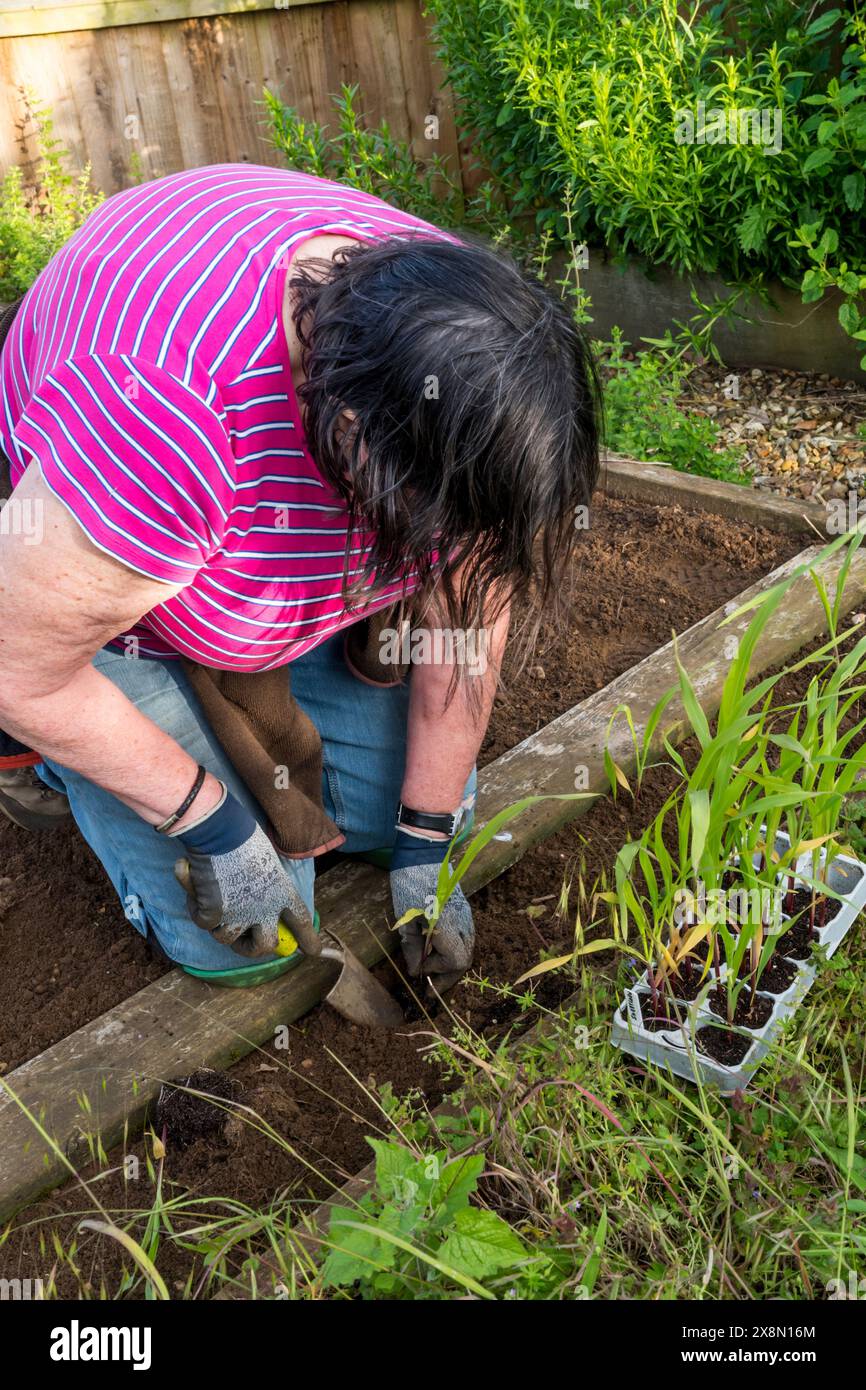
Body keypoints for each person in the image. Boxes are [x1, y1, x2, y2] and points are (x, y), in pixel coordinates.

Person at [0, 164, 599, 990]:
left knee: (401, 818)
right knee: (248, 939)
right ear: (348, 433)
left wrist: (427, 842)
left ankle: (262, 649)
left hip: (231, 521)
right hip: (98, 566)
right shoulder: (168, 425)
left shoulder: (465, 343)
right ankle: (45, 756)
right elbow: (16, 669)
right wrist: (212, 828)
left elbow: (469, 605)